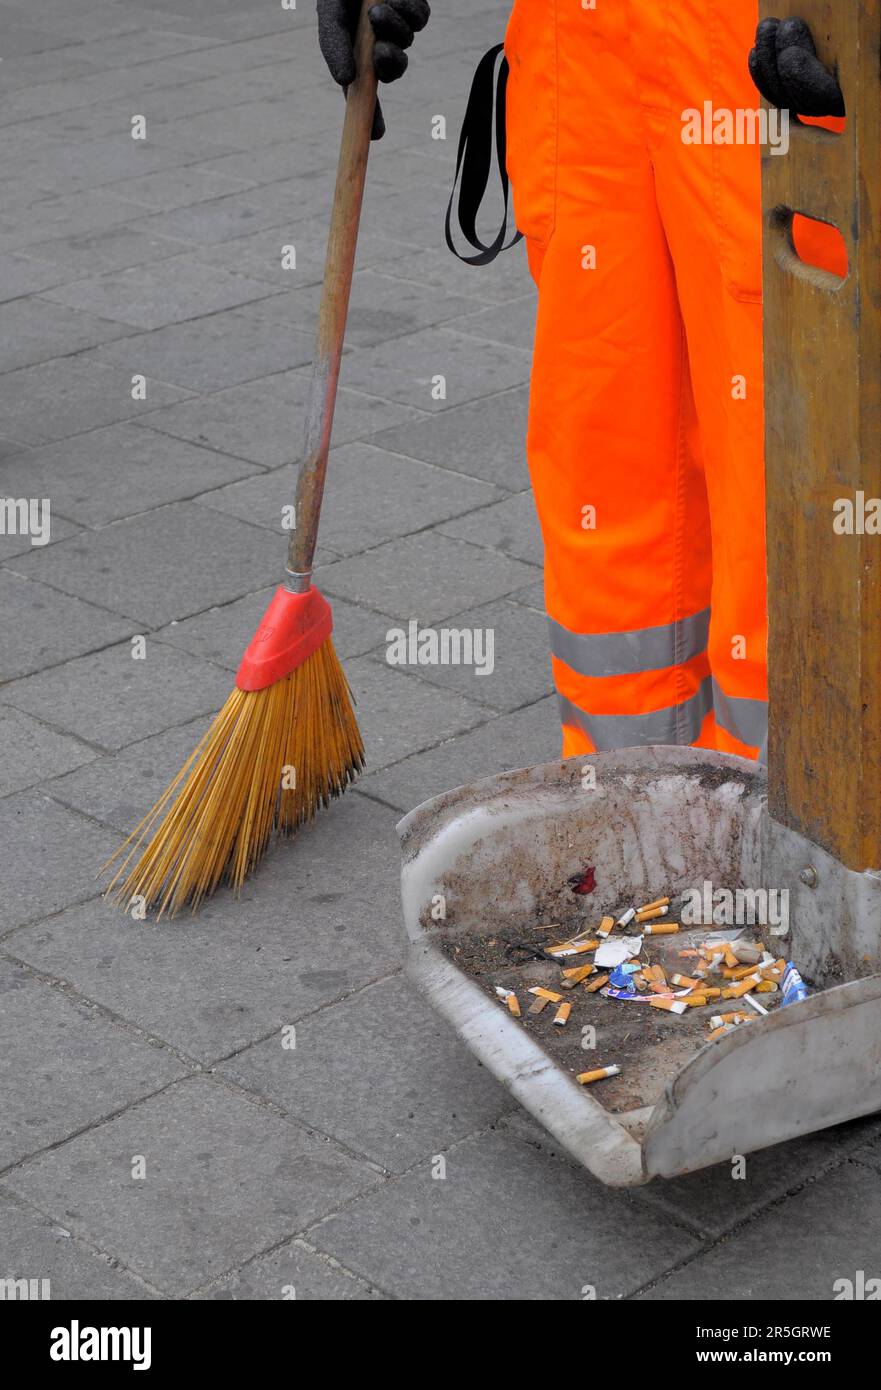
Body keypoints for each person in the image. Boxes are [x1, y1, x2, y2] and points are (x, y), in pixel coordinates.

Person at [318, 3, 844, 764]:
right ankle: (630, 813)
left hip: (768, 39)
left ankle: (813, 820)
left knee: (789, 454)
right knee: (604, 452)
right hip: (583, 50)